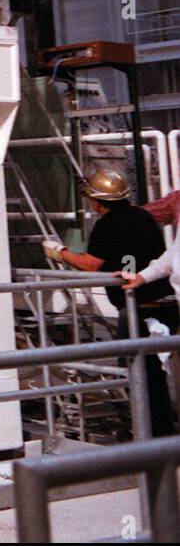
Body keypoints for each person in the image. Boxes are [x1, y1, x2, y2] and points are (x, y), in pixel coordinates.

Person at [48, 168, 176, 436]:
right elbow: (137, 258)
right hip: (166, 304)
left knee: (139, 373)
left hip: (140, 310)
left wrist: (60, 252)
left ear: (96, 201)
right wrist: (131, 271)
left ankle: (154, 437)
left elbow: (91, 264)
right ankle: (159, 430)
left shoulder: (107, 225)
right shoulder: (142, 216)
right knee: (153, 374)